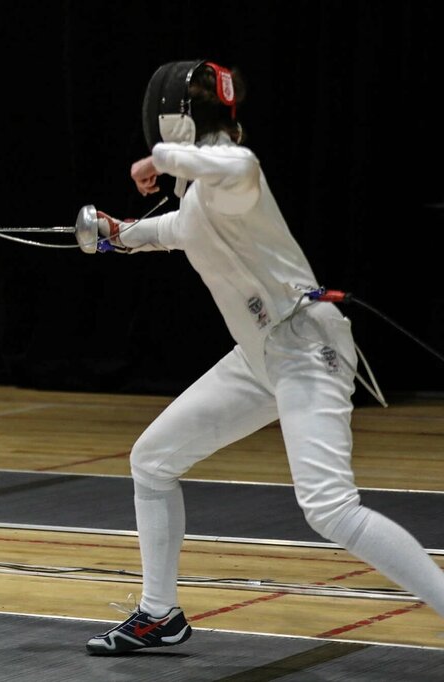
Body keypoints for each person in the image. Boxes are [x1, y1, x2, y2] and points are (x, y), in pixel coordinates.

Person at [80, 60, 444, 654]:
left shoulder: (233, 172)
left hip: (307, 347)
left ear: (173, 123)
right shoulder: (203, 199)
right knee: (152, 460)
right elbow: (181, 229)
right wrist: (121, 235)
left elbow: (237, 166)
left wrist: (162, 159)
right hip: (259, 356)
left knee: (330, 508)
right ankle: (158, 614)